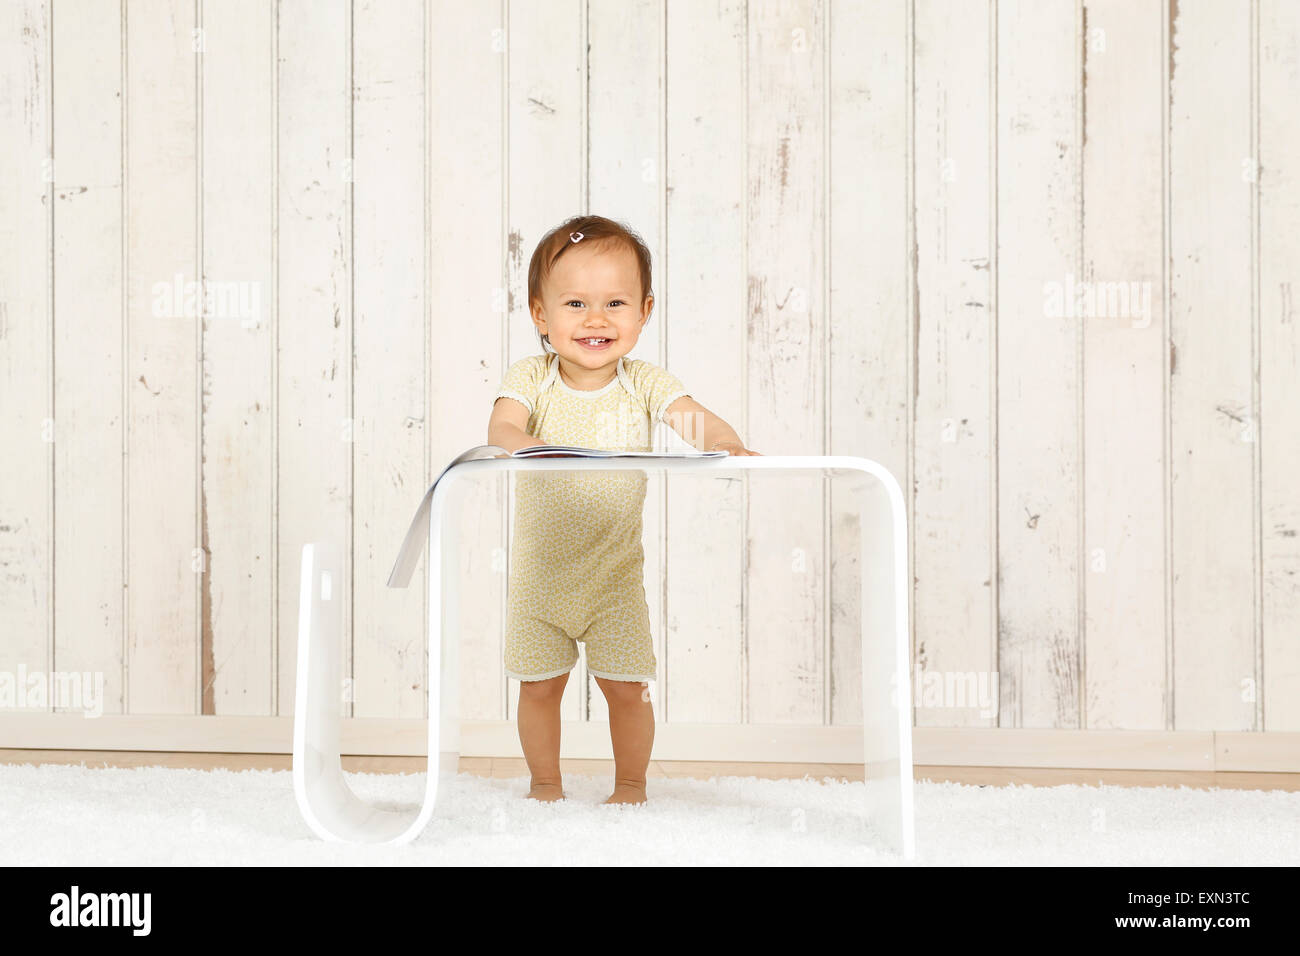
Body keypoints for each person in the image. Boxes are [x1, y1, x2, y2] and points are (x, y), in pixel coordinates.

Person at [487, 214, 759, 806]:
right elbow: (503, 424)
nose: (596, 319)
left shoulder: (643, 382)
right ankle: (545, 785)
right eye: (576, 303)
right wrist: (523, 442)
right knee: (538, 689)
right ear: (540, 313)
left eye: (616, 302)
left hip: (613, 581)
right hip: (541, 580)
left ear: (645, 310)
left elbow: (693, 418)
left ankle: (631, 787)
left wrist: (724, 440)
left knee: (628, 689)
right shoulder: (533, 377)